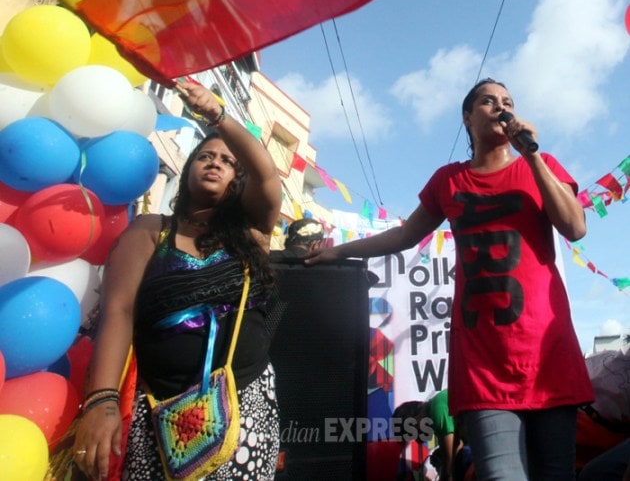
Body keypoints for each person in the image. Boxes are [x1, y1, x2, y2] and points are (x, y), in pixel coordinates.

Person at [307, 78, 594, 481]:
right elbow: (406, 236)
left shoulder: (541, 167)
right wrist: (337, 251)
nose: (500, 107)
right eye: (488, 101)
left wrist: (532, 156)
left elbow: (575, 226)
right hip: (483, 363)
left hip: (548, 355)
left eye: (507, 102)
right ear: (467, 117)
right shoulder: (449, 180)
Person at [72, 82, 282, 481]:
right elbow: (119, 310)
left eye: (227, 160)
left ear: (239, 180)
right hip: (160, 410)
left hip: (247, 407)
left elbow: (268, 174)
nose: (215, 162)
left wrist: (216, 116)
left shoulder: (254, 231)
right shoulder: (152, 230)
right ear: (187, 171)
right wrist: (102, 401)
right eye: (205, 156)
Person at [393, 390, 458, 481]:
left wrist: (446, 460)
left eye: (415, 434)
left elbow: (451, 466)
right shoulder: (438, 406)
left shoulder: (437, 409)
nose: (420, 440)